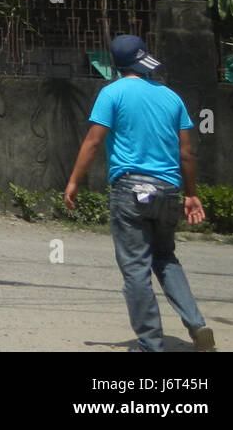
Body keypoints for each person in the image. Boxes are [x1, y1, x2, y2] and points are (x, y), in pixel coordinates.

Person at [64, 34, 215, 353]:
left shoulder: (112, 93)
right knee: (165, 258)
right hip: (168, 192)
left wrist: (75, 181)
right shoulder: (172, 98)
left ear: (116, 65)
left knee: (136, 268)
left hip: (130, 190)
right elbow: (186, 154)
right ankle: (197, 325)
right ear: (143, 61)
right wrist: (191, 195)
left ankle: (149, 345)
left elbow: (93, 142)